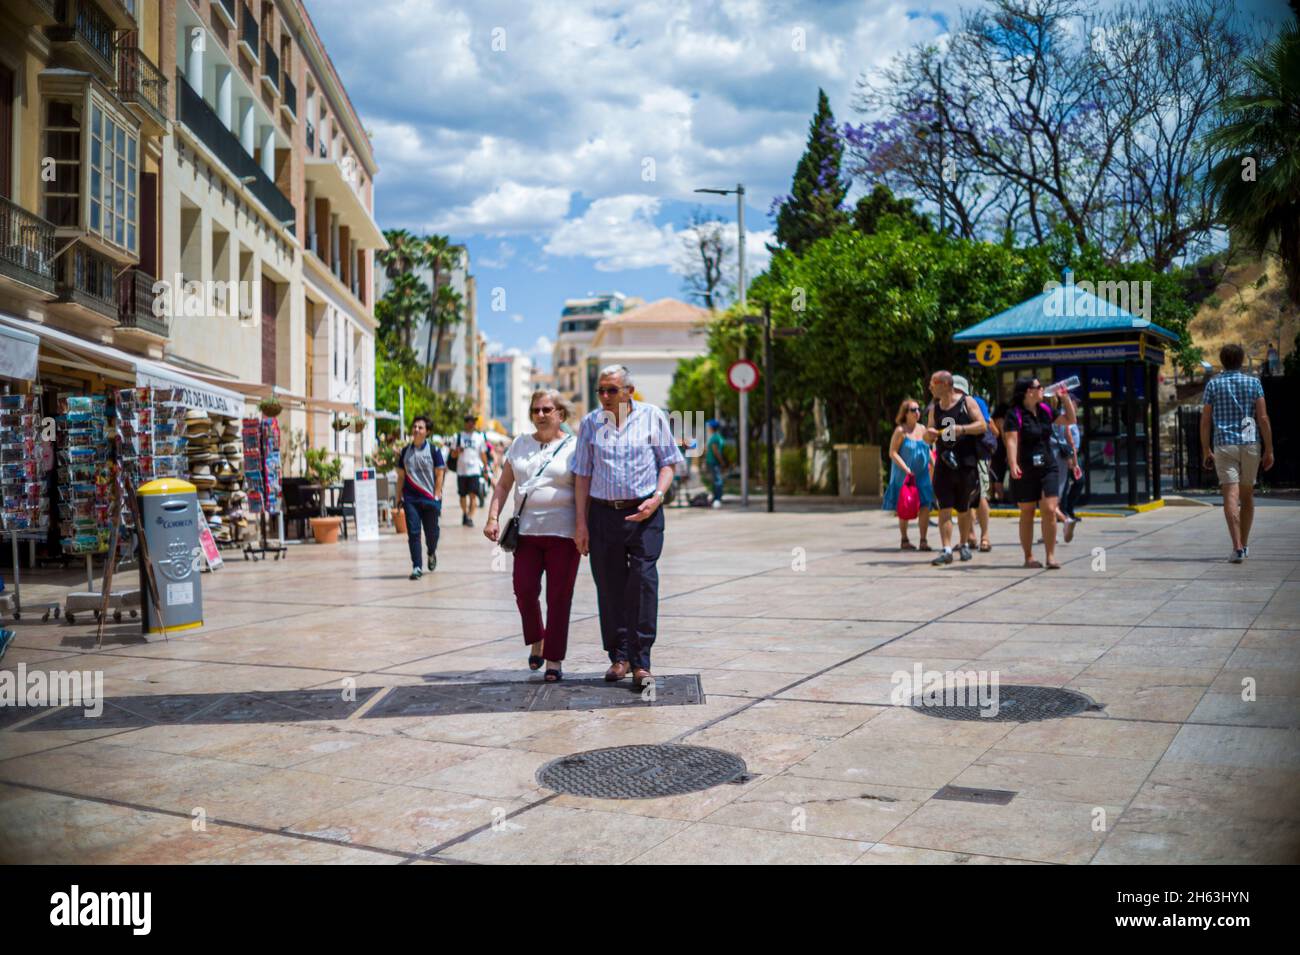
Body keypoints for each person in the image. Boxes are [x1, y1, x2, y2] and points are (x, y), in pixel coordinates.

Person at [572, 365, 683, 688]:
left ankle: (641, 660)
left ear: (628, 391)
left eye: (611, 390)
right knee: (609, 587)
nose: (605, 396)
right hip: (604, 515)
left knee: (643, 581)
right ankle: (619, 656)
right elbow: (582, 475)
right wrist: (581, 523)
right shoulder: (590, 424)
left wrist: (658, 497)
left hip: (645, 513)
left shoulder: (652, 417)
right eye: (601, 390)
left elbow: (668, 463)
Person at [484, 389, 579, 683]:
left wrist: (584, 526)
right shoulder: (520, 445)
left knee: (558, 597)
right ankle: (537, 637)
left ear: (560, 414)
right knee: (524, 590)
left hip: (563, 534)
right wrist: (492, 516)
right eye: (535, 410)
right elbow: (502, 486)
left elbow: (583, 490)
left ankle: (553, 659)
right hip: (526, 534)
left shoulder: (575, 447)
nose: (540, 415)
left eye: (546, 410)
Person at [1200, 343, 1274, 562]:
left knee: (1229, 495)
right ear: (1241, 360)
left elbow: (1205, 420)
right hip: (1250, 442)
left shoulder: (1213, 385)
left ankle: (1237, 547)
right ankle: (1245, 543)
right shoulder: (1254, 383)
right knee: (1247, 495)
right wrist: (1269, 448)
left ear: (1222, 361)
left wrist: (1206, 449)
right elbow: (1262, 418)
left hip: (1224, 444)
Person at [1003, 377, 1076, 569]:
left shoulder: (1045, 410)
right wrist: (1012, 464)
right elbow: (1011, 441)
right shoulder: (1015, 414)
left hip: (1047, 466)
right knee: (1027, 512)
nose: (1043, 389)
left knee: (1050, 510)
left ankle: (1050, 557)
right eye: (1039, 387)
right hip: (1025, 468)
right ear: (1029, 391)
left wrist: (1065, 398)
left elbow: (1070, 419)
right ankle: (1028, 557)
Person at [925, 371, 987, 566]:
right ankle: (946, 548)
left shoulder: (966, 402)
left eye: (932, 384)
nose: (930, 388)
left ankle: (963, 544)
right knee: (944, 507)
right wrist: (930, 435)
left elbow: (982, 425)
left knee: (963, 508)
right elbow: (928, 435)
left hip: (965, 463)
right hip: (944, 463)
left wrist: (962, 429)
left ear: (944, 384)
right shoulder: (935, 408)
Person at [394, 415, 446, 580]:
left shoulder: (433, 450)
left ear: (427, 432)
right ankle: (417, 566)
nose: (416, 429)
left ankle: (431, 551)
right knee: (414, 533)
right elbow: (401, 477)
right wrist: (398, 497)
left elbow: (439, 473)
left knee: (432, 533)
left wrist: (437, 495)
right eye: (415, 427)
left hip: (430, 498)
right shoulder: (405, 452)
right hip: (411, 499)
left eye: (420, 427)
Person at [883, 398, 935, 550]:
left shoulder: (923, 429)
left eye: (918, 409)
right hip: (904, 476)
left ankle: (923, 540)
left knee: (926, 505)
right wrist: (906, 468)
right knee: (905, 506)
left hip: (922, 474)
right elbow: (892, 452)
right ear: (905, 413)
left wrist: (934, 465)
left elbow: (928, 450)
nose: (917, 412)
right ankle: (904, 539)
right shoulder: (900, 431)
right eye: (913, 410)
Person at [953, 374, 994, 552]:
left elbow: (983, 425)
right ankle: (970, 536)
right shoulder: (946, 406)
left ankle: (985, 536)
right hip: (958, 457)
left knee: (982, 495)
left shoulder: (975, 402)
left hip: (977, 455)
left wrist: (962, 429)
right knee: (964, 496)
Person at [450, 413, 488, 527]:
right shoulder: (457, 437)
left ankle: (470, 517)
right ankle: (465, 513)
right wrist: (457, 451)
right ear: (466, 423)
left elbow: (483, 454)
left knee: (473, 495)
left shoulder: (479, 437)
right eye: (470, 421)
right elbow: (452, 455)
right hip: (461, 471)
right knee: (462, 496)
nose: (473, 424)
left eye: (474, 422)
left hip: (474, 471)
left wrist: (486, 469)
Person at [704, 419, 728, 508]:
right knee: (715, 480)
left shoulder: (714, 437)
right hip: (713, 462)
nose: (707, 428)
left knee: (717, 480)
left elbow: (715, 450)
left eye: (708, 426)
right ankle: (716, 497)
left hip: (714, 462)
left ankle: (718, 498)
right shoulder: (716, 436)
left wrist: (721, 462)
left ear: (711, 427)